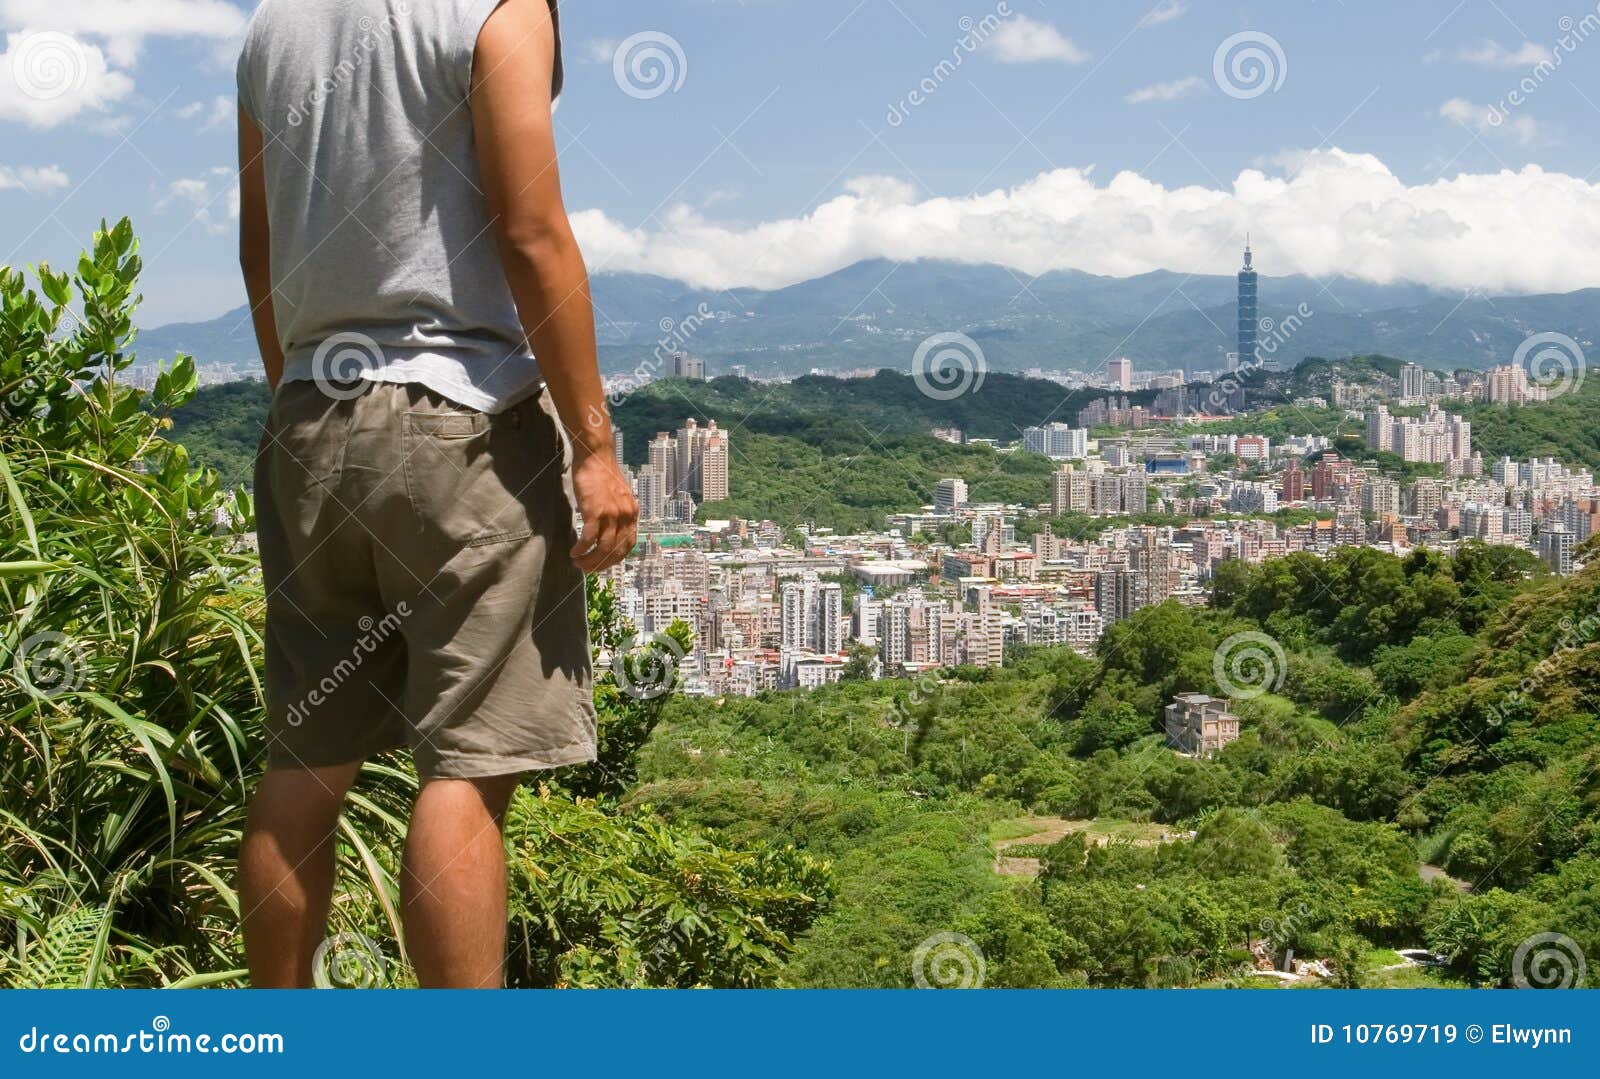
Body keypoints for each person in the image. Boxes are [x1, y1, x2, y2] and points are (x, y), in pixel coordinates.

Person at [234, 0, 637, 988]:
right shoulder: (500, 8)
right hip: (459, 426)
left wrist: (308, 392)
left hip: (306, 424)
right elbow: (531, 230)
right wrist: (593, 444)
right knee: (463, 770)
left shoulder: (272, 26)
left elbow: (259, 247)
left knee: (304, 764)